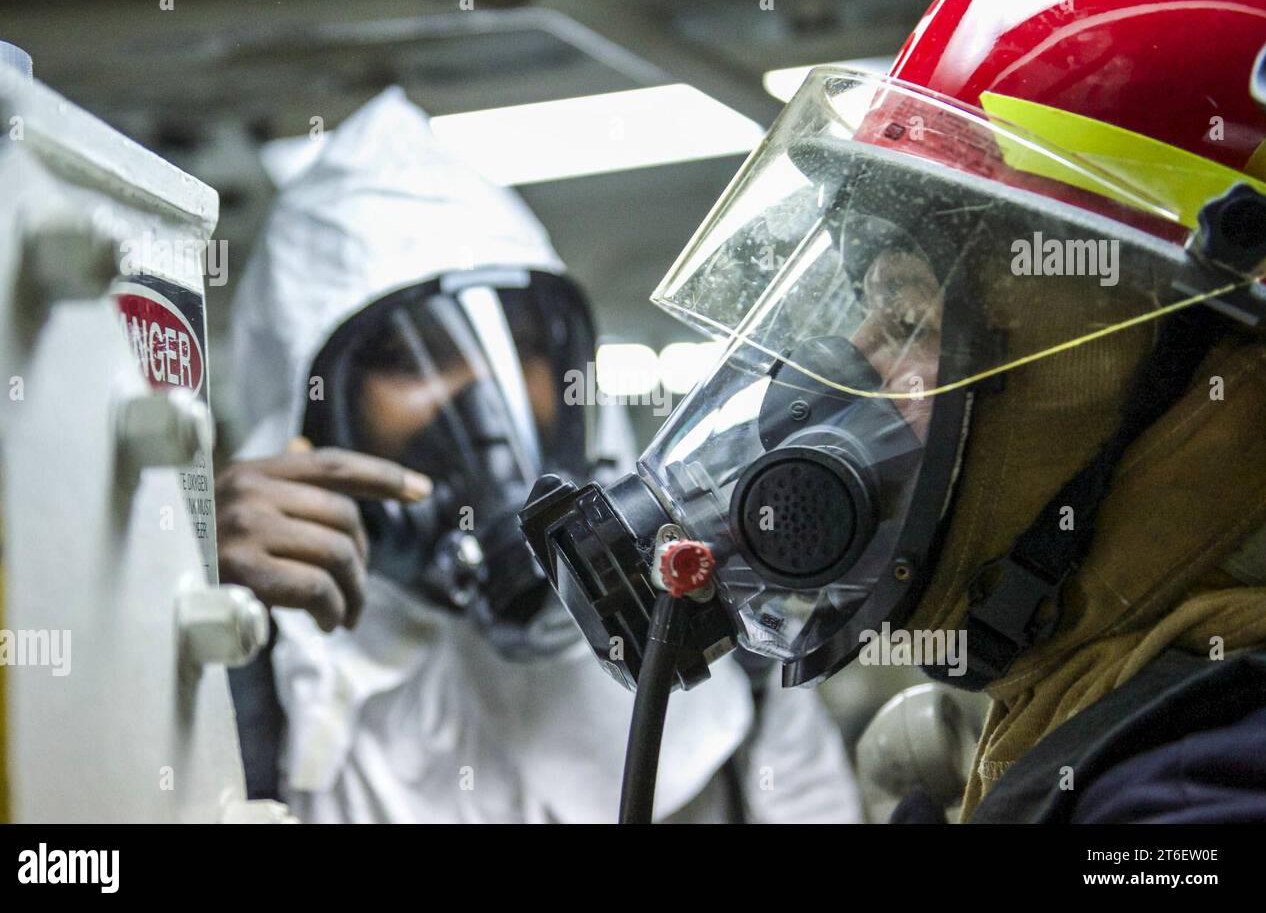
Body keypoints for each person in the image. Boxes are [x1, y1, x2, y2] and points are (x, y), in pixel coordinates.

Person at [525, 0, 1266, 822]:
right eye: (872, 311)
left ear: (1206, 379)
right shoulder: (1106, 724)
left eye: (912, 317)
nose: (847, 372)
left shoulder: (1207, 798)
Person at [218, 86, 861, 823]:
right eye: (406, 361)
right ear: (310, 417)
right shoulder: (262, 675)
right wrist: (178, 603)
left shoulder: (722, 644)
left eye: (521, 346)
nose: (483, 398)